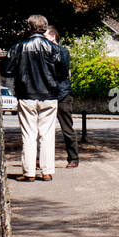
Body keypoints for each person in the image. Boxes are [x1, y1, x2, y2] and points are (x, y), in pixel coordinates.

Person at [2, 15, 66, 181]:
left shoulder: (19, 47)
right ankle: (47, 171)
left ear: (29, 28)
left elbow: (7, 70)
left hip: (27, 95)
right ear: (44, 28)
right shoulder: (54, 48)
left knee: (29, 135)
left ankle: (29, 173)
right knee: (47, 134)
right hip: (49, 95)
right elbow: (62, 72)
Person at [44, 25, 78, 168]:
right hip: (49, 93)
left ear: (53, 36)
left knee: (67, 128)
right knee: (43, 130)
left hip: (63, 94)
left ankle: (73, 158)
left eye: (45, 37)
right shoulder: (44, 52)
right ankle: (41, 159)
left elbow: (62, 70)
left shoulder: (62, 52)